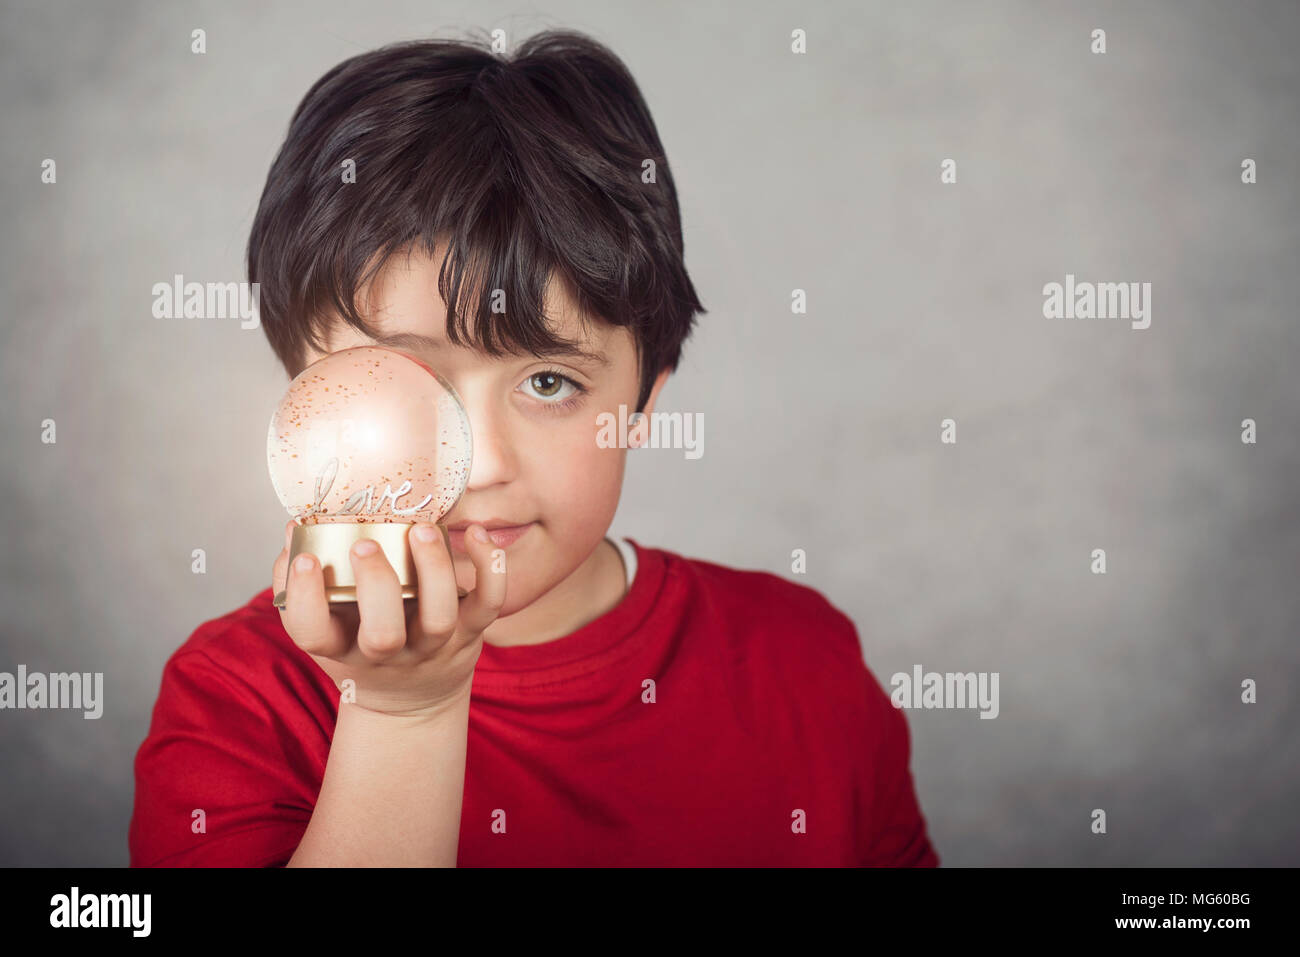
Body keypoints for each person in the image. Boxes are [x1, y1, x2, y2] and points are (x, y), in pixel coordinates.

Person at [128, 29, 939, 867]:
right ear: (302, 395)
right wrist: (405, 712)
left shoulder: (801, 663)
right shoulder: (237, 697)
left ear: (642, 403)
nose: (477, 464)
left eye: (550, 383)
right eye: (406, 380)